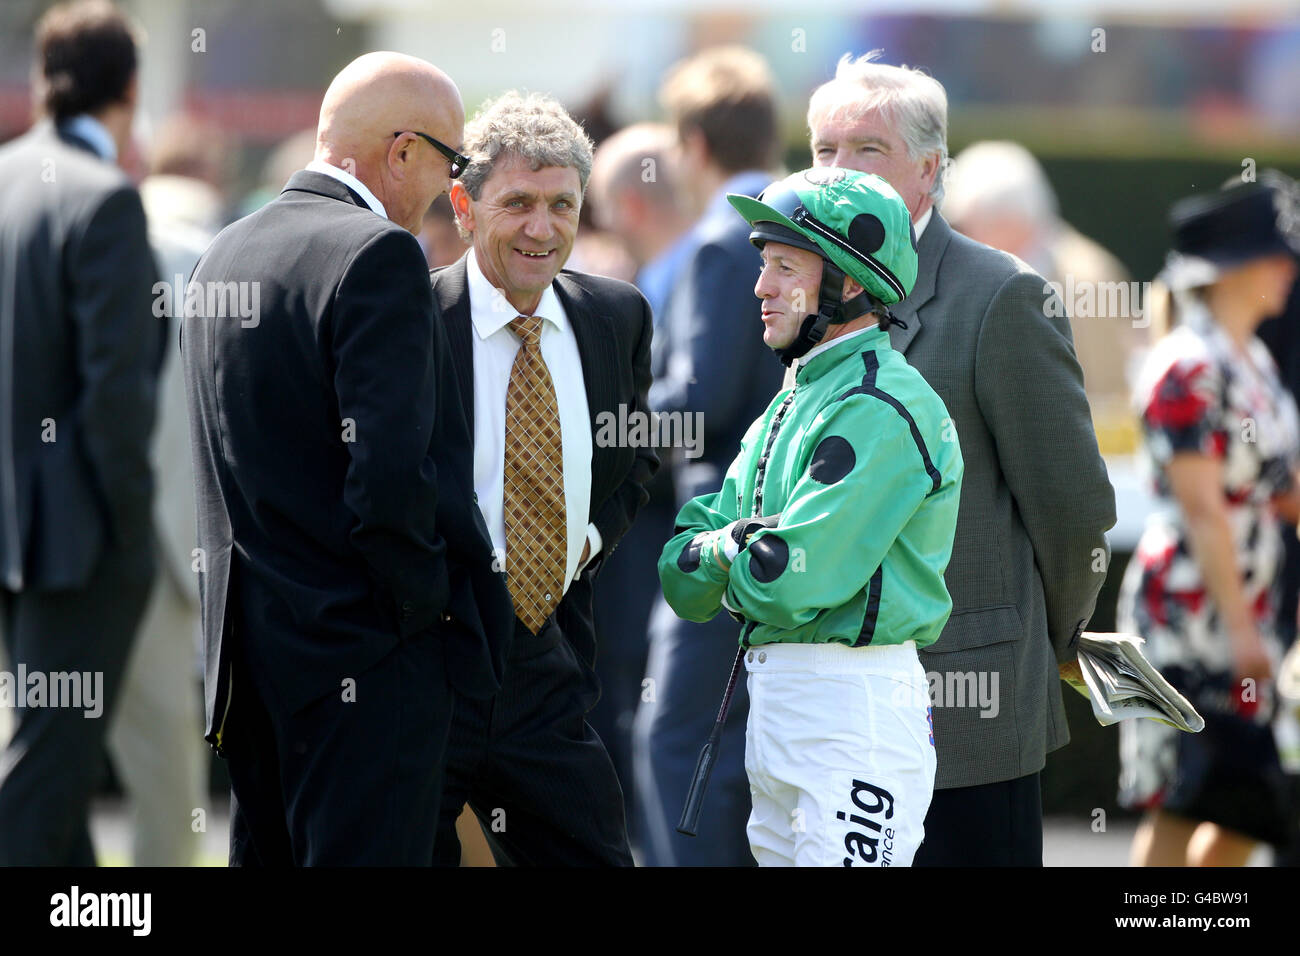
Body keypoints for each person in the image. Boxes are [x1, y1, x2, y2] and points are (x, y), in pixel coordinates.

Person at [184, 52, 512, 865]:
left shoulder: (224, 250)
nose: (451, 186)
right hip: (364, 663)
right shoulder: (378, 255)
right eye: (452, 160)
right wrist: (426, 615)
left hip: (250, 663)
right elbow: (392, 479)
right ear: (402, 151)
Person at [806, 51, 1117, 865]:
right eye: (823, 151)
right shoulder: (795, 289)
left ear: (930, 170)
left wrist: (1045, 640)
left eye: (866, 149)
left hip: (965, 710)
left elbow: (1074, 510)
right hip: (827, 708)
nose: (838, 170)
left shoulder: (1000, 295)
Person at [659, 167, 963, 866]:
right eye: (764, 264)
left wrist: (721, 550)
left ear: (849, 284)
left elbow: (792, 580)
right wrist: (729, 549)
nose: (761, 287)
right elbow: (680, 576)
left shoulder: (883, 405)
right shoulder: (788, 403)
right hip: (780, 705)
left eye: (785, 267)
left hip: (852, 709)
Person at [433, 90, 657, 866]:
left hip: (548, 662)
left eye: (562, 204)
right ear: (464, 205)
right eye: (517, 202)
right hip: (431, 663)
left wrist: (584, 543)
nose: (541, 227)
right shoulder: (410, 322)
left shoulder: (615, 318)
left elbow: (637, 457)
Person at [0, 0, 161, 866]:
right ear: (130, 87)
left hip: (17, 528)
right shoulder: (106, 202)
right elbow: (114, 399)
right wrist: (134, 531)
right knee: (47, 773)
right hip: (82, 537)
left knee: (57, 782)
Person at [1117, 173, 1300, 867]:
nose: (1288, 271)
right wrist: (1244, 628)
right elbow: (1201, 507)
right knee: (1184, 800)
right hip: (1189, 619)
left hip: (1245, 607)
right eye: (1276, 255)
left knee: (1246, 805)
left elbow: (1281, 485)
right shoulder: (1186, 366)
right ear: (1239, 269)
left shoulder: (1249, 361)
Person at [633, 45, 787, 868]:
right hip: (805, 540)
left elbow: (693, 409)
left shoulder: (721, 243)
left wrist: (601, 432)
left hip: (721, 543)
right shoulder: (808, 229)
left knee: (677, 741)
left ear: (692, 143)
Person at [106, 114, 225, 867]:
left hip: (65, 538)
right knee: (165, 765)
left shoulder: (101, 238)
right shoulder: (207, 252)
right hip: (165, 543)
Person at [584, 122, 693, 832]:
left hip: (662, 546)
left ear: (628, 205)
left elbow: (694, 420)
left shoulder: (688, 278)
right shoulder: (668, 277)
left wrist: (585, 427)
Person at [942, 140, 1143, 438]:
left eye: (965, 226)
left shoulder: (1087, 280)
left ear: (1011, 223)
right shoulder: (979, 273)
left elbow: (1108, 398)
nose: (956, 238)